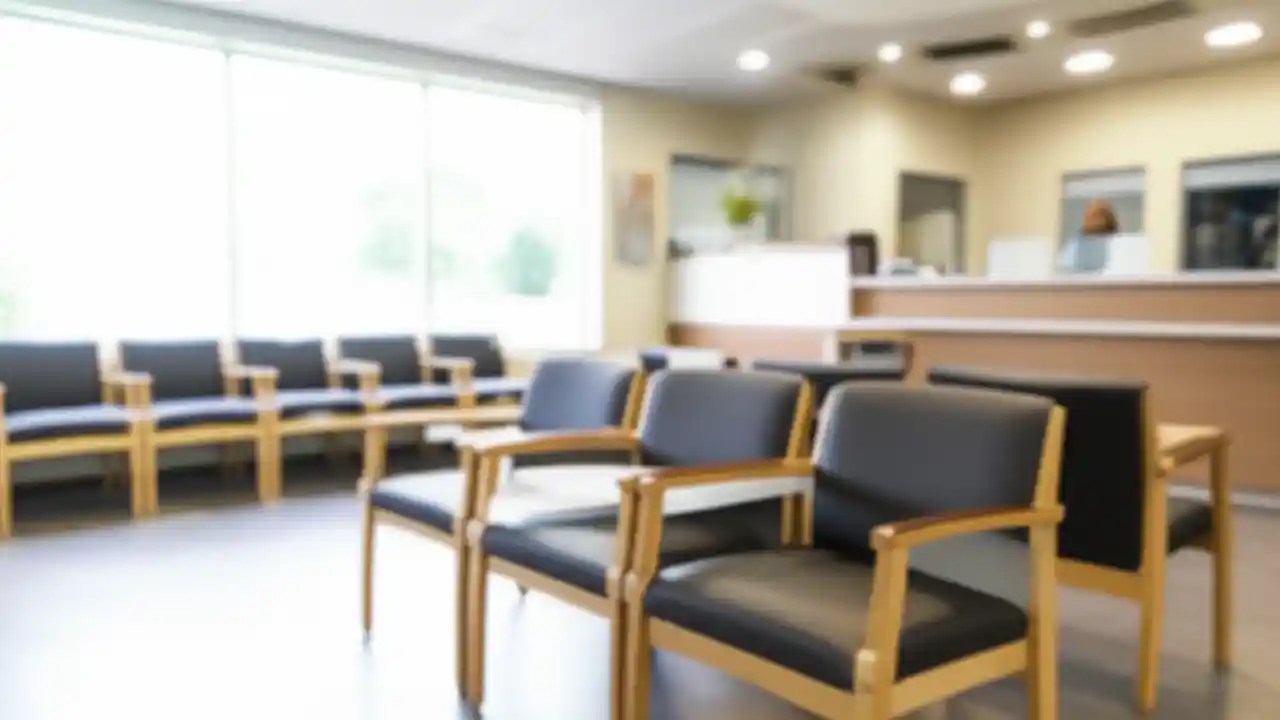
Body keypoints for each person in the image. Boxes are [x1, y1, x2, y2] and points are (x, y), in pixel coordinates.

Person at [1058, 199, 1117, 273]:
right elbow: (1064, 268)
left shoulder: (1116, 245)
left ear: (1106, 219)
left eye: (1095, 216)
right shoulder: (1074, 245)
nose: (1089, 220)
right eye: (1088, 216)